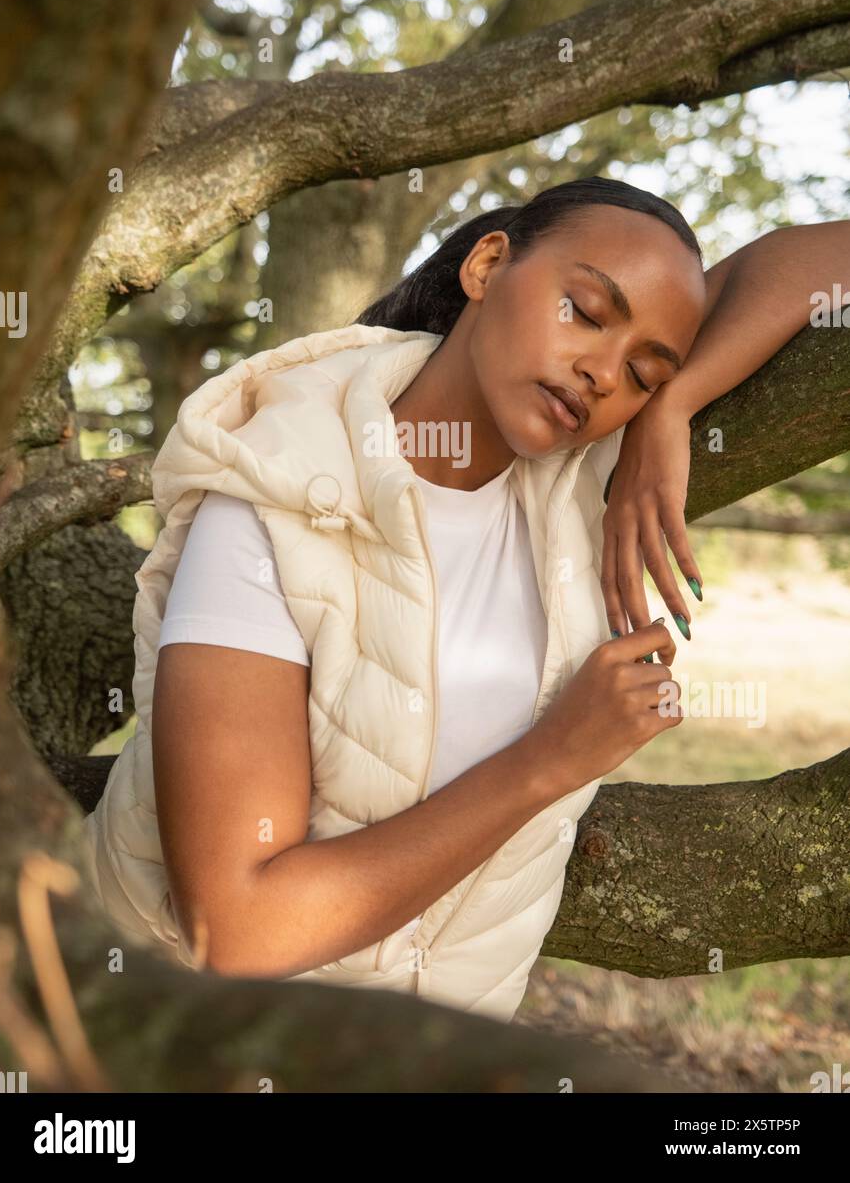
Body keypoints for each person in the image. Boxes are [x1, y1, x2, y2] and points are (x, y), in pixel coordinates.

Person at [82, 175, 849, 1024]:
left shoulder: (580, 483)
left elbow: (829, 257)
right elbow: (238, 927)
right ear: (488, 265)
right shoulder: (272, 509)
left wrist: (675, 406)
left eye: (638, 370)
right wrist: (553, 758)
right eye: (586, 312)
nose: (601, 371)